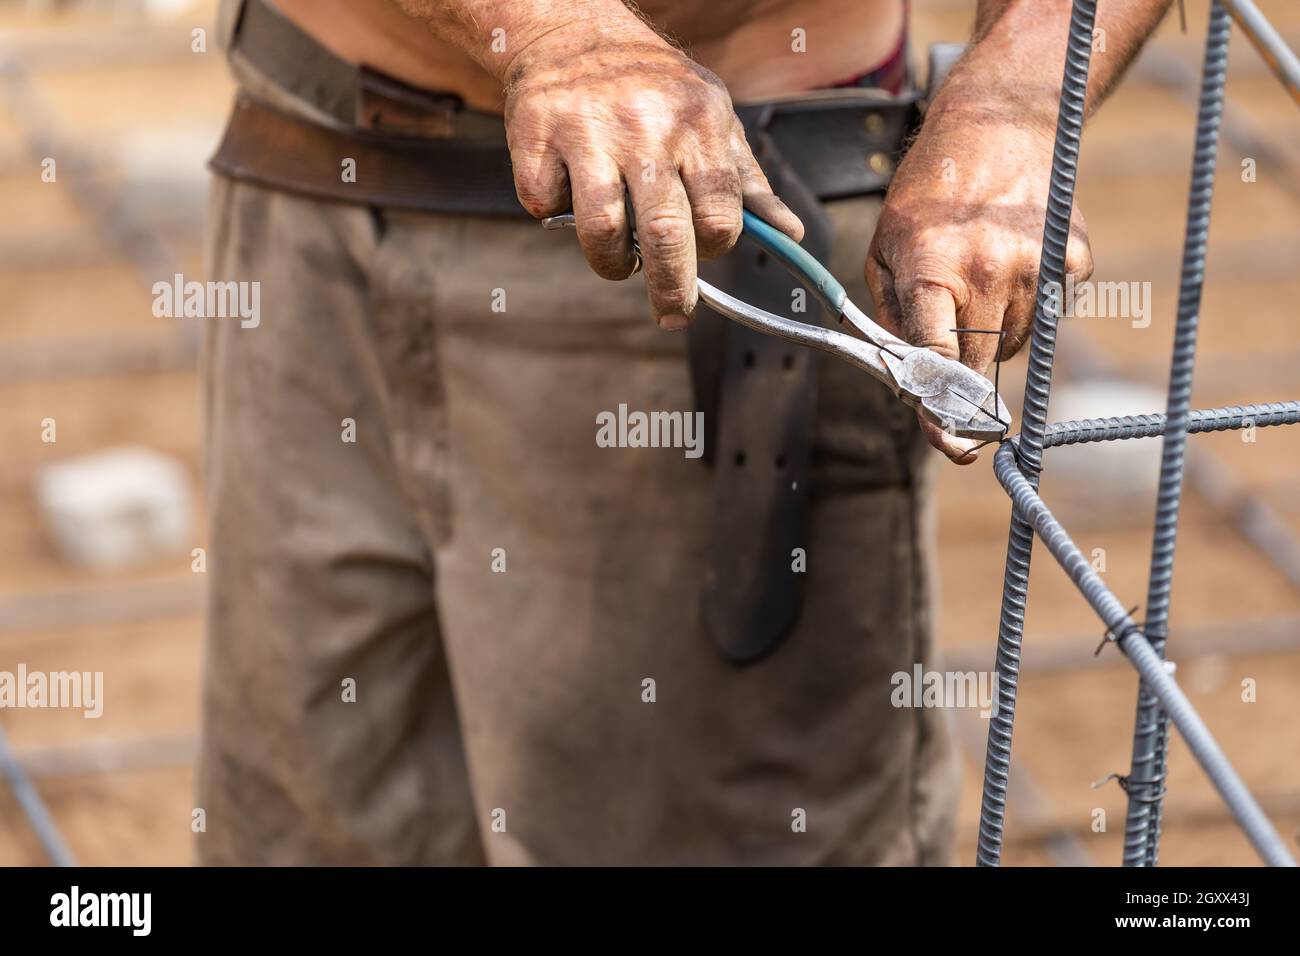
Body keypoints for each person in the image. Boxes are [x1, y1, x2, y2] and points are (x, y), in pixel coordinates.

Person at [198, 0, 1172, 865]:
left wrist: (1015, 103)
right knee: (306, 822)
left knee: (720, 832)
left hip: (715, 236)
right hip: (305, 172)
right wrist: (551, 27)